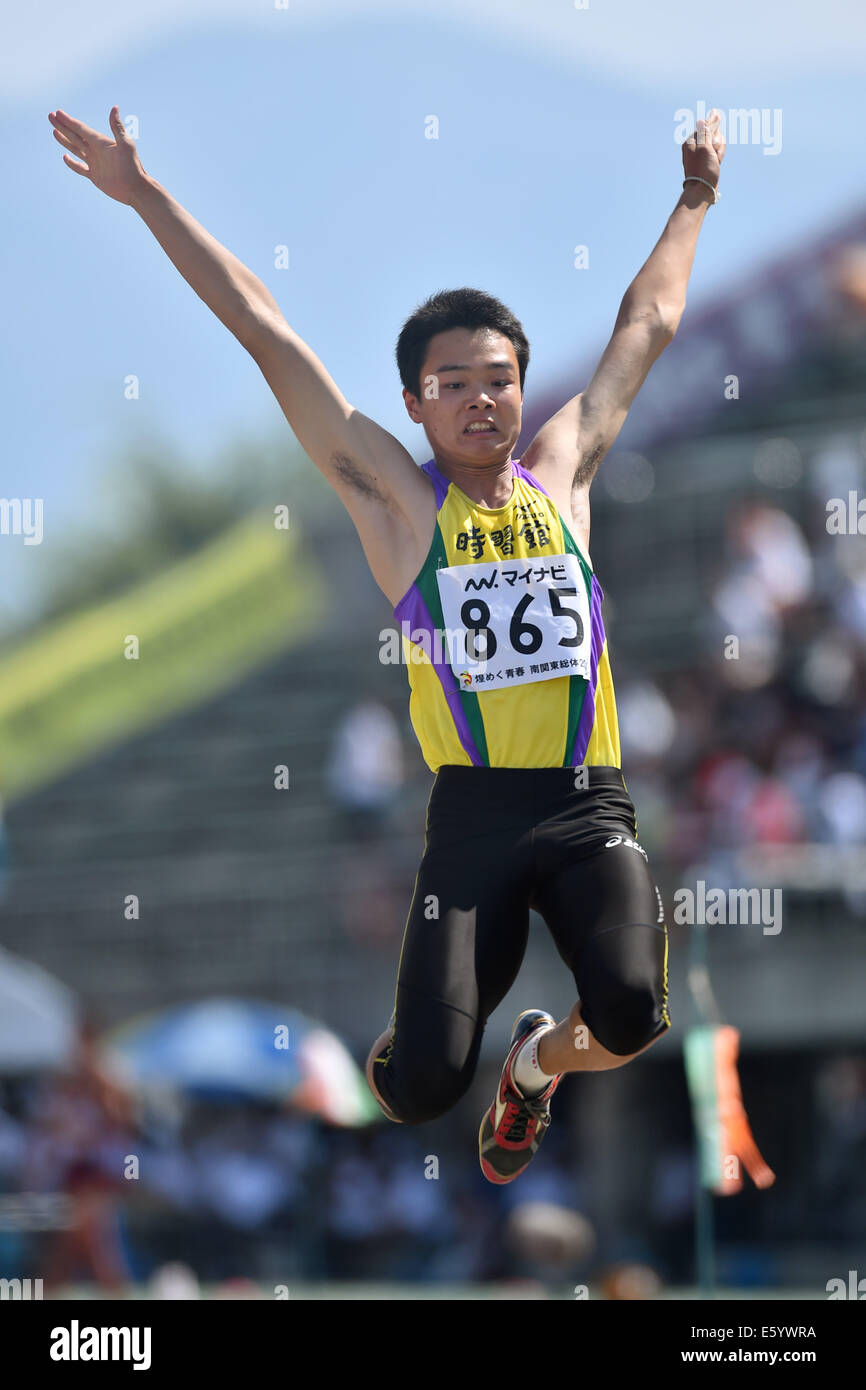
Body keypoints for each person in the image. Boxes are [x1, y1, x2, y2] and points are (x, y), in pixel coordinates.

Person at [47, 103, 725, 1184]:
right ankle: (441, 1059)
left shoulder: (562, 475)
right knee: (416, 1088)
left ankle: (536, 1066)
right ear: (413, 403)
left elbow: (644, 325)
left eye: (496, 377)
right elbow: (266, 330)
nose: (478, 399)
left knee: (635, 1011)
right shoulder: (397, 509)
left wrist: (692, 199)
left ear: (519, 385)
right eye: (450, 384)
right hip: (473, 818)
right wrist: (146, 197)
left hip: (587, 797)